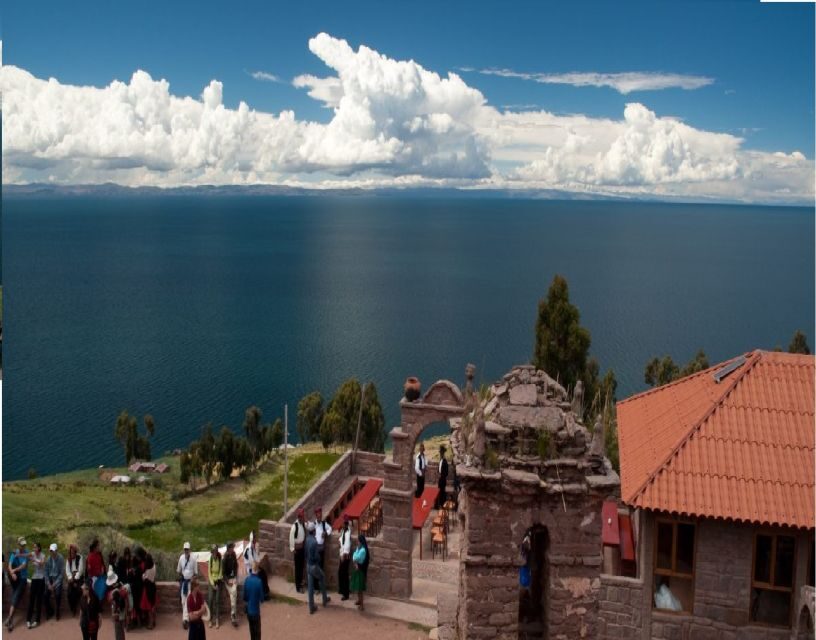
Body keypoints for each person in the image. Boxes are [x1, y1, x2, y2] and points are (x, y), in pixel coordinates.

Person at [305, 522, 330, 614]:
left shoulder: (307, 540)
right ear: (314, 531)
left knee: (310, 586)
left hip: (308, 565)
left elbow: (305, 553)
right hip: (314, 565)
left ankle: (311, 606)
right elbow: (316, 556)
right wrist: (318, 558)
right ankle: (324, 599)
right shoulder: (314, 542)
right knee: (322, 578)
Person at [5, 537, 29, 631]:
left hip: (22, 579)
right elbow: (9, 565)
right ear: (18, 544)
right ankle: (10, 620)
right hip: (15, 578)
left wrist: (13, 571)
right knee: (16, 595)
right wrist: (12, 573)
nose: (23, 546)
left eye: (24, 545)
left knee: (16, 595)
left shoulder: (26, 553)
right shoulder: (14, 553)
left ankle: (10, 619)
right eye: (21, 545)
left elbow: (23, 566)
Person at [177, 541, 198, 630]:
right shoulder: (181, 558)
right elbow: (178, 570)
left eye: (187, 549)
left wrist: (193, 578)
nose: (186, 551)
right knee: (183, 601)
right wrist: (181, 578)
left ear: (190, 550)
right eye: (185, 549)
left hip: (190, 583)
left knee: (186, 602)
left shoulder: (193, 559)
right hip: (184, 583)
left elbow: (196, 573)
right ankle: (187, 617)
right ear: (184, 549)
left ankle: (185, 620)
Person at [242, 533, 270, 600]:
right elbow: (252, 562)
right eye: (254, 538)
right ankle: (263, 594)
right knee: (261, 576)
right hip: (251, 569)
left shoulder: (252, 547)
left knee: (263, 573)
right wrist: (257, 567)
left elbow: (256, 558)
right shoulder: (248, 549)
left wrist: (258, 564)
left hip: (254, 567)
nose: (256, 539)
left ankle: (266, 592)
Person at [26, 541, 46, 629]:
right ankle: (28, 620)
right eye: (33, 547)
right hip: (34, 578)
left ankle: (37, 620)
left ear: (39, 548)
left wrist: (34, 560)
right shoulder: (32, 554)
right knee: (31, 599)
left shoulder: (43, 555)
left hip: (41, 579)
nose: (34, 549)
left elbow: (42, 563)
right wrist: (17, 554)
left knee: (39, 600)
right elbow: (26, 555)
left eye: (35, 547)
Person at [44, 542, 65, 621]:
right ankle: (49, 611)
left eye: (53, 551)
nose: (52, 552)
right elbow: (45, 572)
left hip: (57, 580)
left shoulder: (61, 559)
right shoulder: (48, 559)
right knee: (45, 595)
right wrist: (49, 584)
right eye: (51, 551)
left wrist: (54, 584)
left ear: (57, 550)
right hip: (50, 579)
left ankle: (57, 611)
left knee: (58, 594)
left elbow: (61, 574)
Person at [242, 562, 263, 640]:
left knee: (252, 631)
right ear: (257, 570)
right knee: (257, 633)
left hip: (249, 611)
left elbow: (244, 597)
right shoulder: (259, 581)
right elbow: (262, 598)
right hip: (256, 611)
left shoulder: (247, 580)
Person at [289, 508, 307, 593]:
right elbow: (291, 538)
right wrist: (293, 549)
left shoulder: (302, 524)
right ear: (299, 517)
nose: (303, 518)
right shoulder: (295, 526)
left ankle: (301, 583)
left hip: (302, 548)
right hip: (297, 550)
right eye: (302, 517)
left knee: (301, 567)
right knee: (298, 568)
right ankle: (298, 586)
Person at [222, 542, 239, 627]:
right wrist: (227, 581)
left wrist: (235, 576)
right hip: (228, 579)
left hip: (233, 578)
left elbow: (236, 565)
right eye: (232, 547)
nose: (233, 549)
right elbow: (223, 573)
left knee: (234, 593)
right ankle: (233, 615)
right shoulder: (224, 558)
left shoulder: (234, 555)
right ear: (229, 548)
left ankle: (233, 615)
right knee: (233, 593)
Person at [351, 534, 370, 612]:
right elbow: (354, 557)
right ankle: (359, 601)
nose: (357, 542)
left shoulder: (362, 550)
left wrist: (355, 560)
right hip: (358, 569)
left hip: (361, 571)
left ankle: (362, 605)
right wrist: (355, 560)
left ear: (361, 542)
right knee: (358, 588)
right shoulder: (359, 548)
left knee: (360, 589)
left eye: (358, 541)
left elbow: (355, 558)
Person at [65, 544, 85, 617]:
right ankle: (72, 608)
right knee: (69, 594)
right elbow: (67, 571)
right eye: (71, 552)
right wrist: (71, 578)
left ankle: (80, 608)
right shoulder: (68, 560)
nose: (72, 554)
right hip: (71, 579)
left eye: (73, 552)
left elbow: (80, 570)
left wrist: (75, 578)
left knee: (79, 591)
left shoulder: (80, 557)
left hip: (78, 578)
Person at [207, 544, 223, 629]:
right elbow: (209, 573)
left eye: (215, 551)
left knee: (217, 600)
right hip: (211, 581)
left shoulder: (220, 559)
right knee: (210, 599)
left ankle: (217, 619)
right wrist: (213, 584)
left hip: (218, 581)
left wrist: (217, 582)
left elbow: (220, 571)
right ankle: (210, 619)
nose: (214, 553)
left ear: (217, 551)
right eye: (213, 551)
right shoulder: (210, 559)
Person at [140, 554, 157, 630]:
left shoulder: (147, 570)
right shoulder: (154, 566)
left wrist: (143, 576)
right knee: (153, 605)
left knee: (149, 607)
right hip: (153, 586)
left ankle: (150, 624)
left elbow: (143, 579)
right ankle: (154, 621)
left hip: (147, 588)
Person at [338, 514, 352, 601]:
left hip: (345, 556)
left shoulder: (347, 532)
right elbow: (341, 540)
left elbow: (347, 545)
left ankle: (345, 593)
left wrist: (344, 555)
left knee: (343, 574)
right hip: (343, 554)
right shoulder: (344, 531)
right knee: (342, 573)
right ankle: (343, 589)